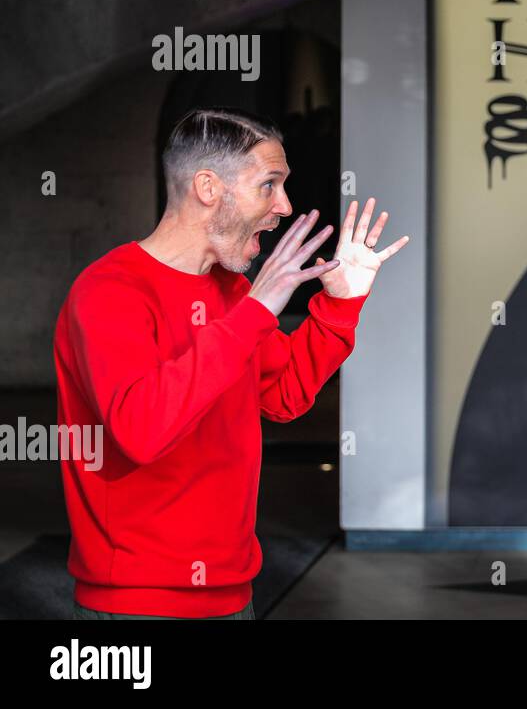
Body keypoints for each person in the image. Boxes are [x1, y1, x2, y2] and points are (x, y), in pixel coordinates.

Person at [53, 107, 409, 619]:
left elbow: (283, 396)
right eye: (269, 185)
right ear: (208, 187)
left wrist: (340, 304)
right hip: (138, 605)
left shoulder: (231, 290)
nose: (284, 206)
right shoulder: (108, 291)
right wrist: (255, 312)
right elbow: (141, 430)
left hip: (231, 595)